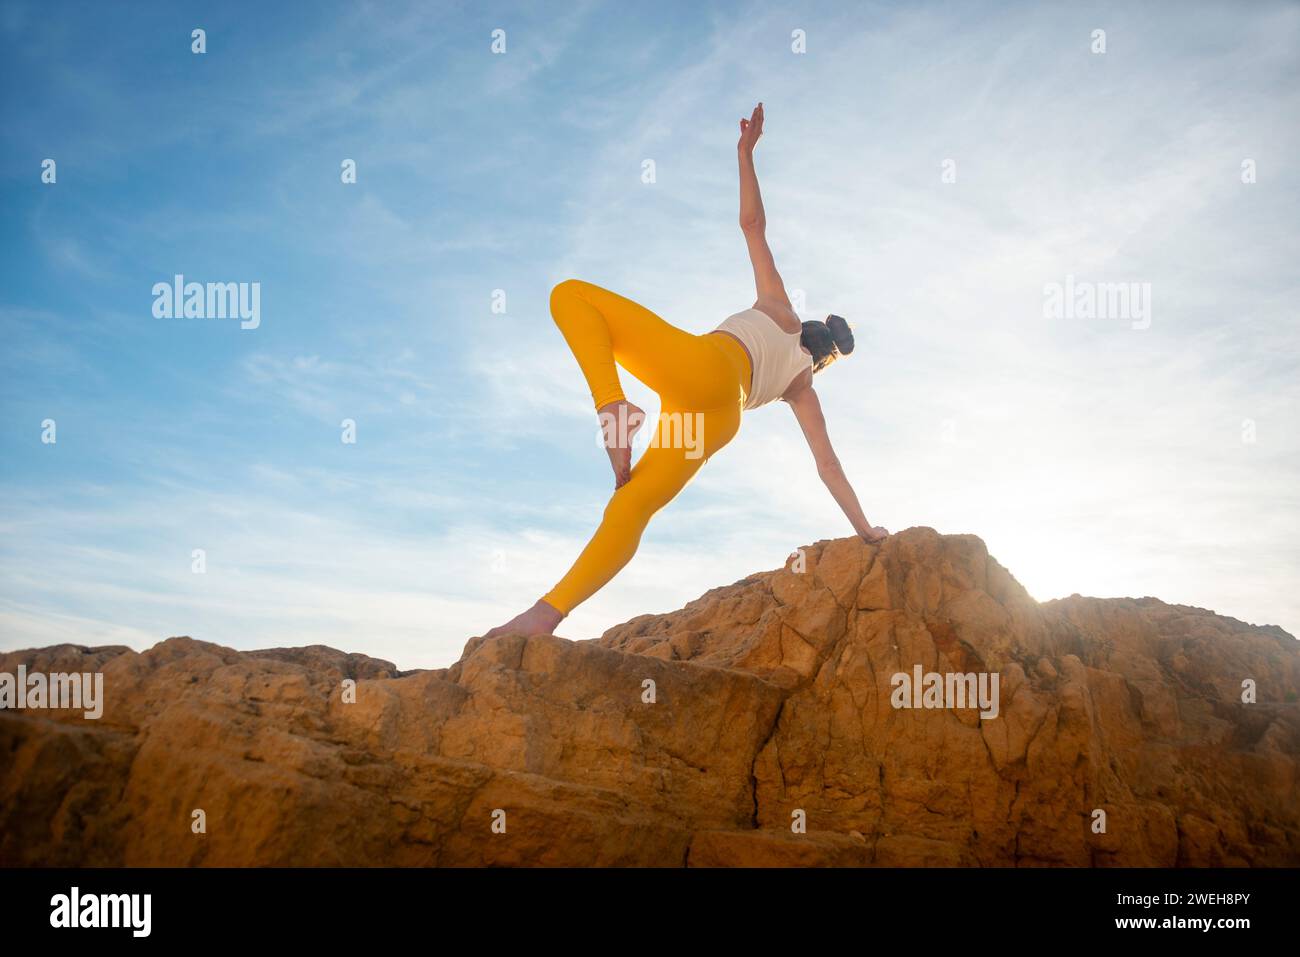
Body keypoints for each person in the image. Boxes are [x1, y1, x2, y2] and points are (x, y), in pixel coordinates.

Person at [484, 103, 888, 639]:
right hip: (719, 417)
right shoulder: (803, 387)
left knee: (571, 295)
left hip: (705, 369)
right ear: (825, 358)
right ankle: (546, 615)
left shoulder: (779, 308)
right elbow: (828, 466)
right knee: (633, 505)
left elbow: (752, 225)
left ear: (813, 323)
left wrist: (745, 153)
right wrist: (867, 531)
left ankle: (613, 404)